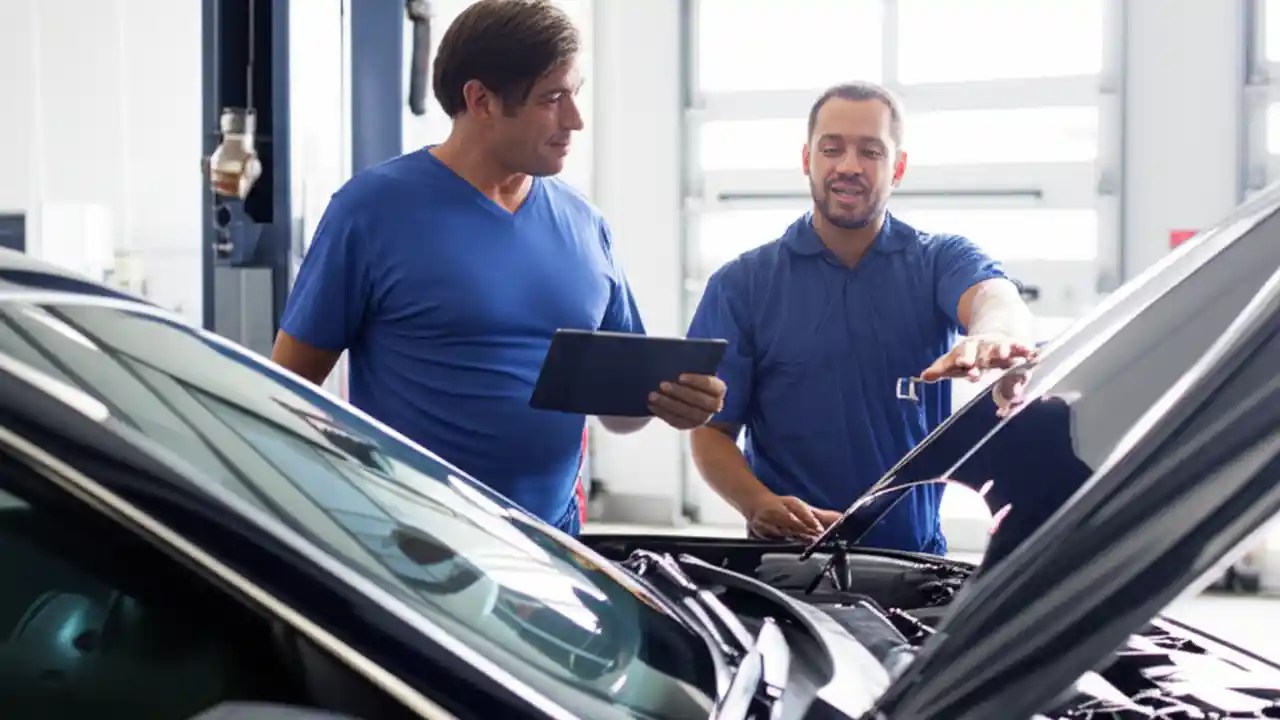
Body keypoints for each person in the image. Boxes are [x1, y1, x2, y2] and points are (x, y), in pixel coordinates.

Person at [270, 0, 726, 535]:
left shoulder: (585, 224)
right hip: (412, 545)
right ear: (480, 99)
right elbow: (286, 387)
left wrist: (675, 401)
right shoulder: (371, 210)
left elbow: (619, 411)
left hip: (554, 547)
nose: (574, 120)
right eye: (552, 99)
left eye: (574, 94)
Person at [685, 80, 1036, 553]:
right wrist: (756, 503)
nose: (848, 166)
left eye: (871, 151)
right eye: (832, 149)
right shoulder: (742, 284)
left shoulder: (937, 260)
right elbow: (712, 430)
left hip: (912, 564)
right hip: (786, 565)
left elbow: (997, 297)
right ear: (807, 158)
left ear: (899, 168)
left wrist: (993, 334)